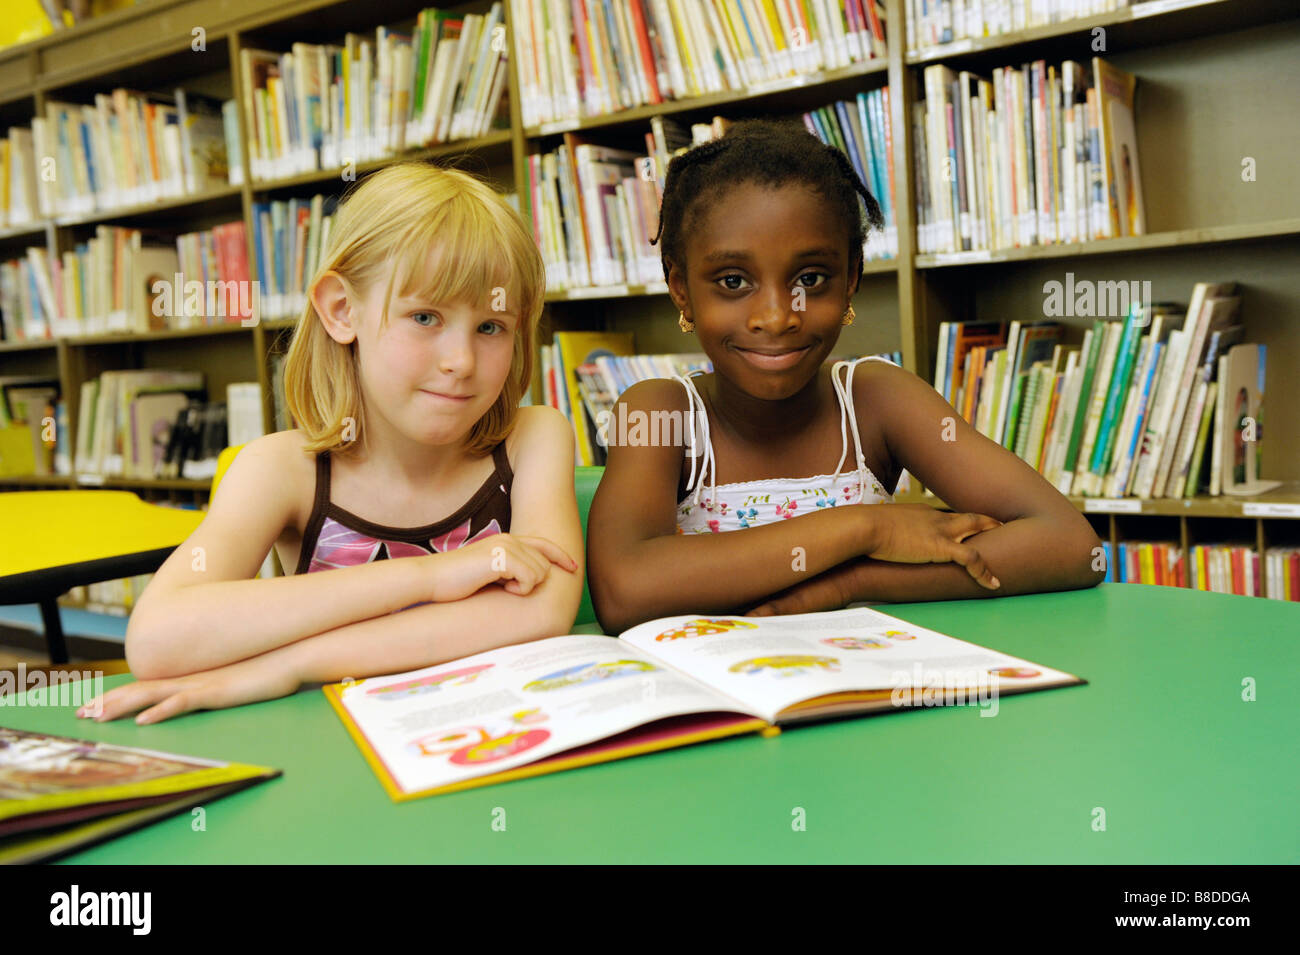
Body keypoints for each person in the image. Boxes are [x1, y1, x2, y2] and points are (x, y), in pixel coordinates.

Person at [80, 163, 582, 724]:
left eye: (491, 327)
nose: (460, 362)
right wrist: (434, 576)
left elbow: (541, 611)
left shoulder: (534, 437)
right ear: (342, 310)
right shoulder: (281, 468)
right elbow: (157, 640)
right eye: (424, 317)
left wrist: (290, 664)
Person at [586, 120, 1103, 634]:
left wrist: (851, 581)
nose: (777, 316)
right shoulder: (656, 411)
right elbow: (624, 591)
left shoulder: (877, 398)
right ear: (680, 287)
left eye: (810, 279)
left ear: (851, 276)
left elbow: (1072, 546)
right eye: (733, 281)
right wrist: (867, 528)